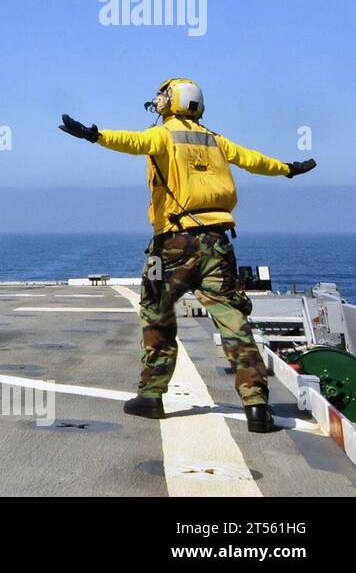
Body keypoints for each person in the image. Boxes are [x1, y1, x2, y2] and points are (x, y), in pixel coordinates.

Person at [59, 78, 316, 433]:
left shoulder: (163, 135)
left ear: (173, 100)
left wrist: (94, 134)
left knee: (155, 313)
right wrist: (288, 169)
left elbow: (131, 142)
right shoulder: (215, 140)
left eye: (162, 95)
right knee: (233, 321)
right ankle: (257, 407)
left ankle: (151, 396)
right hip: (218, 244)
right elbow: (254, 160)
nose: (157, 100)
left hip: (170, 245)